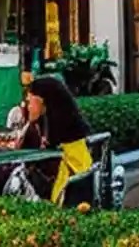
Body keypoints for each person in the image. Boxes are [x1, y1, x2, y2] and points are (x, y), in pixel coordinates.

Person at [26, 76, 94, 205]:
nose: (27, 106)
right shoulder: (60, 130)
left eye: (29, 101)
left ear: (42, 100)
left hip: (73, 194)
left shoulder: (70, 151)